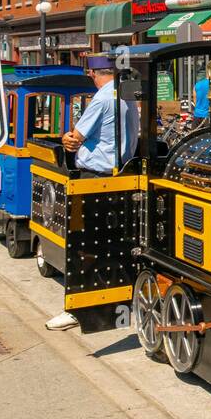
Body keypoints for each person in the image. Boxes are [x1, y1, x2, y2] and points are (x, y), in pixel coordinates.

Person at [53, 55, 140, 331]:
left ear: (93, 74)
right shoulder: (127, 97)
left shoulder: (102, 98)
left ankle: (82, 308)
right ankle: (122, 298)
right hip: (122, 175)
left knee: (84, 242)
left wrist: (67, 139)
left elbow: (74, 138)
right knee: (116, 241)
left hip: (95, 179)